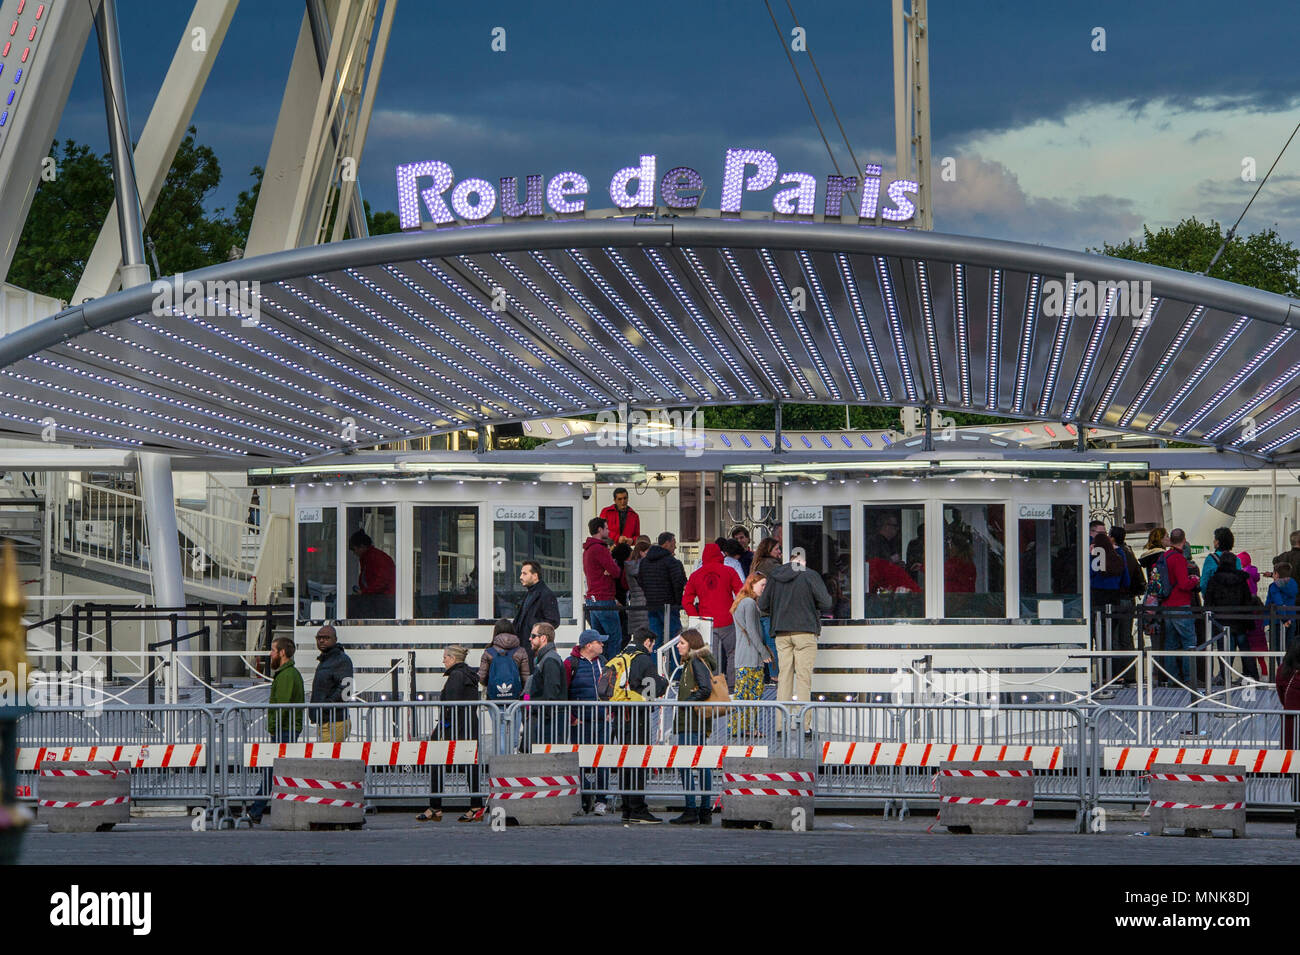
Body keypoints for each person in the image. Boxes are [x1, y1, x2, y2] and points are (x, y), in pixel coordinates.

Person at [758, 546, 832, 719]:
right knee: (803, 679)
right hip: (805, 632)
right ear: (803, 561)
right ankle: (804, 725)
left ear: (789, 559)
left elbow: (763, 605)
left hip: (782, 634)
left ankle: (780, 724)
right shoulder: (810, 575)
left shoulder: (775, 576)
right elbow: (826, 602)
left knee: (784, 678)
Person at [417, 646, 483, 822]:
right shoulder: (468, 675)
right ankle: (475, 806)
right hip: (468, 727)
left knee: (437, 763)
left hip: (454, 729)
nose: (443, 660)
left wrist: (442, 727)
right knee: (470, 767)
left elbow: (451, 706)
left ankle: (436, 806)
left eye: (445, 657)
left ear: (453, 658)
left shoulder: (456, 676)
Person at [610, 626, 668, 824]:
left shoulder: (622, 654)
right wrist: (663, 682)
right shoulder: (642, 659)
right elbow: (654, 688)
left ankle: (627, 808)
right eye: (652, 645)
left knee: (626, 761)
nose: (652, 649)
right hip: (636, 717)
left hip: (619, 715)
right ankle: (637, 809)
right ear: (647, 642)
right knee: (638, 761)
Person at [247, 636, 303, 824]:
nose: (270, 654)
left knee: (272, 772)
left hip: (284, 730)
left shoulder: (287, 675)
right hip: (285, 728)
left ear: (282, 653)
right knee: (275, 772)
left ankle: (256, 810)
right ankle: (257, 809)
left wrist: (273, 727)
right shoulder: (288, 673)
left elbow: (283, 705)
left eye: (273, 650)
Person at [670, 628, 719, 824]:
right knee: (702, 764)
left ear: (691, 644)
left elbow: (705, 688)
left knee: (686, 764)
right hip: (695, 720)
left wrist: (687, 702)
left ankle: (692, 807)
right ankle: (704, 809)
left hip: (691, 720)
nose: (678, 646)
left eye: (682, 642)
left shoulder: (696, 662)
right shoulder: (697, 661)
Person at [682, 541, 743, 691]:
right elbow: (741, 594)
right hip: (728, 620)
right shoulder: (729, 571)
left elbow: (686, 601)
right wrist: (735, 611)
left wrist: (696, 617)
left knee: (710, 656)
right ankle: (731, 686)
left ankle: (712, 687)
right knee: (733, 653)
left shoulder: (696, 575)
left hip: (706, 622)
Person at [567, 630, 609, 815]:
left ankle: (601, 799)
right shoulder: (570, 664)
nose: (603, 645)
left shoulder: (604, 663)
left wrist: (610, 710)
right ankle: (584, 797)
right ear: (589, 645)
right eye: (599, 642)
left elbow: (611, 688)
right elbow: (564, 693)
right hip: (581, 721)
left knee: (602, 760)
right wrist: (573, 718)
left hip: (602, 719)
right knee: (581, 761)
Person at [1204, 547, 1256, 681]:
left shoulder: (1214, 580)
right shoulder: (1241, 579)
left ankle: (1225, 677)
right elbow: (1247, 600)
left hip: (1221, 622)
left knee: (1225, 651)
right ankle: (1252, 676)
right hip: (1240, 620)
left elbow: (1209, 601)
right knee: (1245, 649)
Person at [729, 572, 769, 736]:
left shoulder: (740, 603)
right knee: (753, 695)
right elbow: (753, 631)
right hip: (752, 657)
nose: (763, 589)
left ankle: (737, 727)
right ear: (752, 584)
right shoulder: (751, 604)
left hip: (741, 657)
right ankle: (750, 728)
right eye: (762, 585)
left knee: (741, 694)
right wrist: (764, 651)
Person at [1159, 528, 1200, 687]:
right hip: (1180, 605)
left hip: (1166, 604)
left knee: (1170, 643)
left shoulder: (1165, 556)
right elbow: (1183, 584)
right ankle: (1189, 678)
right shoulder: (1178, 558)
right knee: (1189, 641)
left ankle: (1172, 679)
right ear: (1183, 540)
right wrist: (1194, 580)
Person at [582, 516, 624, 655]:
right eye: (606, 528)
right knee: (614, 638)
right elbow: (616, 571)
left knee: (598, 640)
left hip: (592, 598)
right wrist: (610, 568)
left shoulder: (587, 550)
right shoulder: (600, 549)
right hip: (604, 598)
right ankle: (612, 671)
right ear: (600, 529)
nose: (609, 531)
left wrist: (607, 570)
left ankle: (600, 669)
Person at [639, 531, 687, 652]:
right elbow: (678, 583)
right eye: (674, 543)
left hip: (652, 605)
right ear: (667, 543)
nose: (675, 546)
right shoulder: (672, 562)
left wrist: (648, 595)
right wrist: (677, 602)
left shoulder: (645, 561)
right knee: (675, 639)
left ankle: (655, 667)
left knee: (655, 640)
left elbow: (640, 581)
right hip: (669, 606)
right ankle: (674, 669)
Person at [523, 622, 565, 746]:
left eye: (533, 636)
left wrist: (545, 716)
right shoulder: (545, 658)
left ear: (543, 638)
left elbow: (551, 691)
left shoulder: (550, 659)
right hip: (547, 718)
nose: (529, 638)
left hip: (548, 720)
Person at [309, 625, 354, 741]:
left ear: (335, 639)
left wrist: (326, 705)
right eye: (319, 638)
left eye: (326, 638)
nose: (321, 640)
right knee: (329, 756)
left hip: (334, 721)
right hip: (327, 719)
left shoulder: (341, 660)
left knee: (329, 756)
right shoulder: (326, 660)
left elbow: (346, 690)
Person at [512, 560, 559, 666]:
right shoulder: (530, 593)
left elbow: (553, 621)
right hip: (526, 647)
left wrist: (535, 632)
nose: (520, 577)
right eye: (521, 573)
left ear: (535, 576)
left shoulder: (546, 594)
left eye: (524, 573)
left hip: (535, 649)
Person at [1275, 643, 1300, 837]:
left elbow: (1282, 698)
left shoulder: (1283, 672)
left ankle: (1298, 816)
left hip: (1293, 730)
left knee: (1297, 777)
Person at [478, 618, 531, 701]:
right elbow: (526, 679)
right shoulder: (521, 651)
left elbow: (481, 678)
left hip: (494, 697)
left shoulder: (489, 651)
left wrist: (492, 682)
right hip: (515, 698)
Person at [347, 529, 395, 618]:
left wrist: (365, 592)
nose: (354, 553)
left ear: (362, 546)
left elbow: (381, 581)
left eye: (354, 549)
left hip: (383, 602)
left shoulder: (375, 558)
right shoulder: (371, 557)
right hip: (380, 600)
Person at [1267, 561, 1299, 649]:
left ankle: (1281, 663)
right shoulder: (1293, 584)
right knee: (1289, 647)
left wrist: (1284, 619)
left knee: (1276, 647)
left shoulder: (1274, 587)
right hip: (1292, 618)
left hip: (1278, 620)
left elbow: (1279, 603)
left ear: (1276, 574)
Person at [1199, 527, 1237, 595]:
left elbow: (1204, 583)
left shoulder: (1210, 559)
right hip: (1233, 599)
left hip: (1216, 599)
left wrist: (1207, 598)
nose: (1213, 541)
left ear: (1218, 542)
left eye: (1215, 539)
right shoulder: (1237, 559)